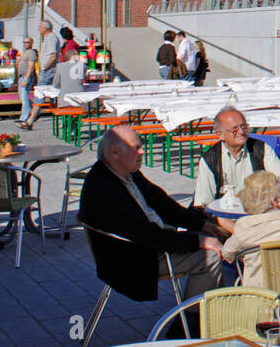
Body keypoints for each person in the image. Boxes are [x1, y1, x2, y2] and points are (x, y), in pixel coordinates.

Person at [79, 125, 229, 303]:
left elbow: (164, 204)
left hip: (149, 244)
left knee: (216, 232)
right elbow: (146, 234)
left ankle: (215, 309)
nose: (143, 151)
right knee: (210, 257)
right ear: (115, 153)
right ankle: (191, 322)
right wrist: (198, 240)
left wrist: (201, 225)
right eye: (136, 148)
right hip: (134, 259)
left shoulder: (127, 173)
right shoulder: (103, 187)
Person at [194, 107, 280, 206]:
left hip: (259, 211)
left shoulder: (262, 149)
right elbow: (204, 203)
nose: (241, 132)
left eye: (244, 126)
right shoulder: (209, 160)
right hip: (226, 214)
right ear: (220, 134)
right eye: (234, 129)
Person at [15, 37, 38, 126]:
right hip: (21, 77)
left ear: (31, 43)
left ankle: (24, 117)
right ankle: (36, 109)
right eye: (24, 42)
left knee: (24, 97)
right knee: (22, 96)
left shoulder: (31, 53)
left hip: (26, 77)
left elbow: (31, 66)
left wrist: (26, 79)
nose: (25, 44)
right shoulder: (24, 53)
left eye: (27, 42)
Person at [36, 20, 59, 87]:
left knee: (40, 91)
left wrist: (44, 68)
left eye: (40, 27)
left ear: (45, 28)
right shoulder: (47, 38)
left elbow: (53, 56)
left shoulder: (51, 38)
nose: (38, 29)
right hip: (47, 69)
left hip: (49, 70)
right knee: (49, 92)